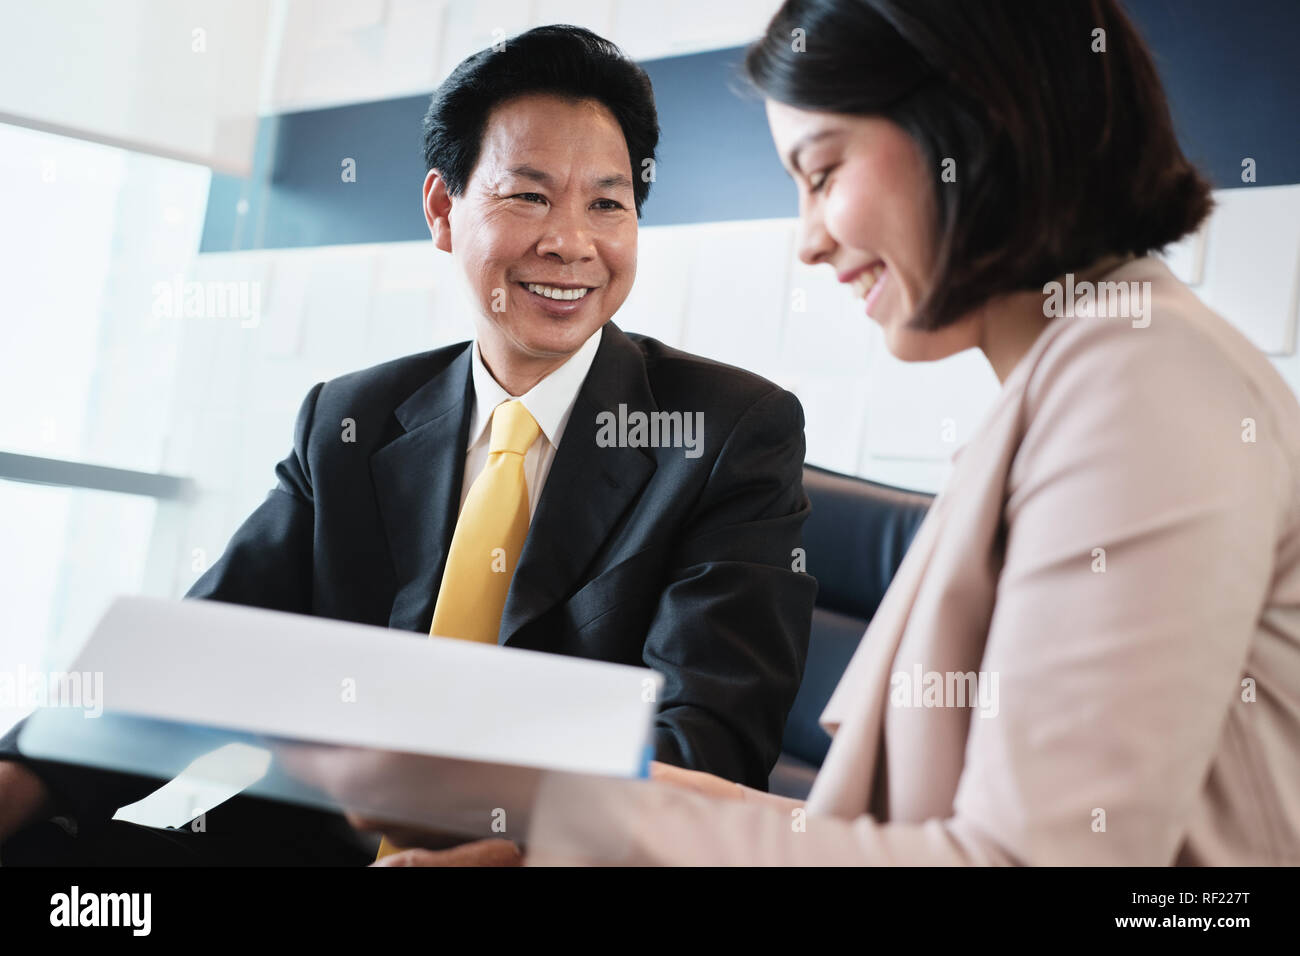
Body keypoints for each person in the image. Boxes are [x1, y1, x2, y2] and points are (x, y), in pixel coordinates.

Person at [460, 0, 1299, 866]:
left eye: (822, 175)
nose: (810, 244)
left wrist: (586, 825)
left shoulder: (1138, 389)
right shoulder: (1081, 377)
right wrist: (537, 815)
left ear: (974, 119)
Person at [0, 25, 817, 866]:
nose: (571, 242)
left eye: (607, 203)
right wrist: (21, 771)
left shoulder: (726, 433)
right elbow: (202, 649)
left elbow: (708, 744)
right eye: (529, 196)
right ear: (441, 209)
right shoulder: (353, 417)